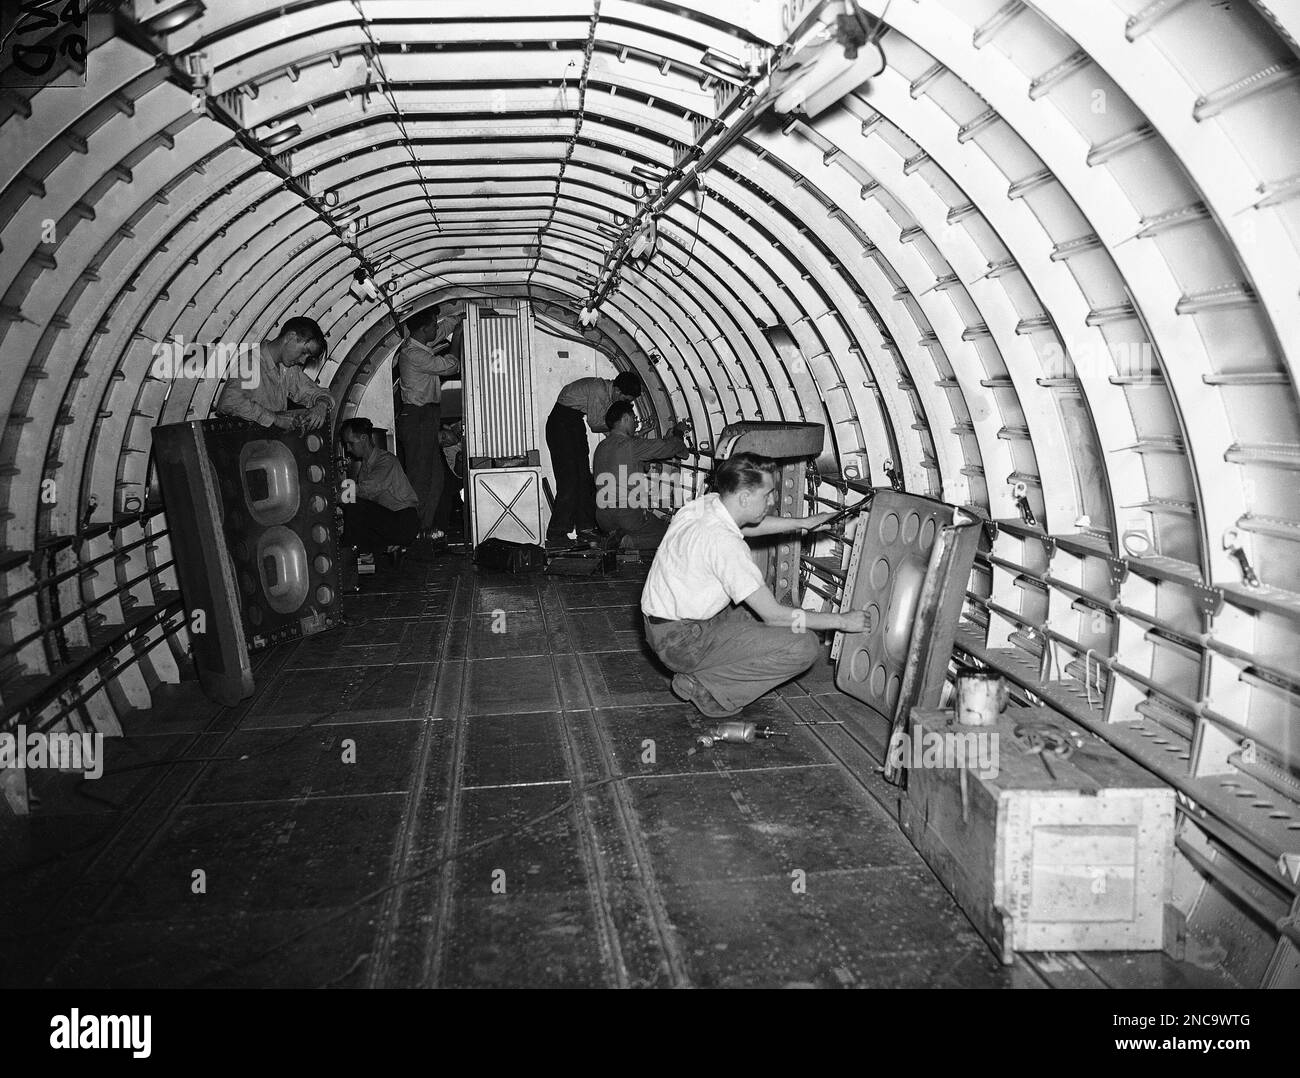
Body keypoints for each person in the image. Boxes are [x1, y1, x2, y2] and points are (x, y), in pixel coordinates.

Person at [641, 453, 871, 718]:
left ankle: (702, 672)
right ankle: (707, 687)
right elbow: (774, 616)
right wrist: (842, 621)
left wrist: (803, 524)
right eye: (768, 494)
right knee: (803, 644)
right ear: (744, 498)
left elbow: (745, 527)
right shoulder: (725, 545)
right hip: (683, 642)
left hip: (662, 627)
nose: (773, 501)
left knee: (752, 614)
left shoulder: (705, 506)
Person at [546, 371, 643, 547]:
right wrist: (623, 426)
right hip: (561, 424)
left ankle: (585, 528)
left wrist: (624, 442)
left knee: (584, 478)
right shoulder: (599, 390)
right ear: (618, 391)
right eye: (626, 399)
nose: (626, 403)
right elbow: (595, 424)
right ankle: (556, 532)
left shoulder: (608, 397)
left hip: (574, 424)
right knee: (569, 480)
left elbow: (609, 429)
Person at [395, 305, 459, 540]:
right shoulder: (413, 354)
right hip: (417, 418)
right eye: (432, 324)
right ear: (422, 329)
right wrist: (459, 340)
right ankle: (414, 530)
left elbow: (440, 330)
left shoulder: (422, 344)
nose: (436, 328)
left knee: (436, 479)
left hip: (428, 417)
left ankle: (425, 527)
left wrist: (457, 319)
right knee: (421, 478)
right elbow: (451, 365)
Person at [592, 401, 689, 550]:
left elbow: (624, 467)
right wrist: (678, 433)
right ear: (625, 419)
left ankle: (617, 537)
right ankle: (626, 542)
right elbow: (669, 448)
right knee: (673, 533)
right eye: (633, 419)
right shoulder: (631, 445)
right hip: (627, 514)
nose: (636, 424)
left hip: (603, 517)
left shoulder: (601, 447)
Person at [215, 317, 331, 431]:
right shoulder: (251, 362)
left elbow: (314, 392)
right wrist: (275, 419)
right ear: (290, 337)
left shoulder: (287, 368)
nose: (302, 361)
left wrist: (321, 405)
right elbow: (229, 402)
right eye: (303, 352)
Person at [339, 417, 420, 557]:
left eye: (351, 443)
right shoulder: (365, 467)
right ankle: (370, 550)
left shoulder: (386, 461)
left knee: (354, 505)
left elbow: (368, 490)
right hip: (390, 521)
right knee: (352, 507)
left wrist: (340, 493)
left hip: (404, 521)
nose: (348, 449)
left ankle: (349, 553)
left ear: (364, 438)